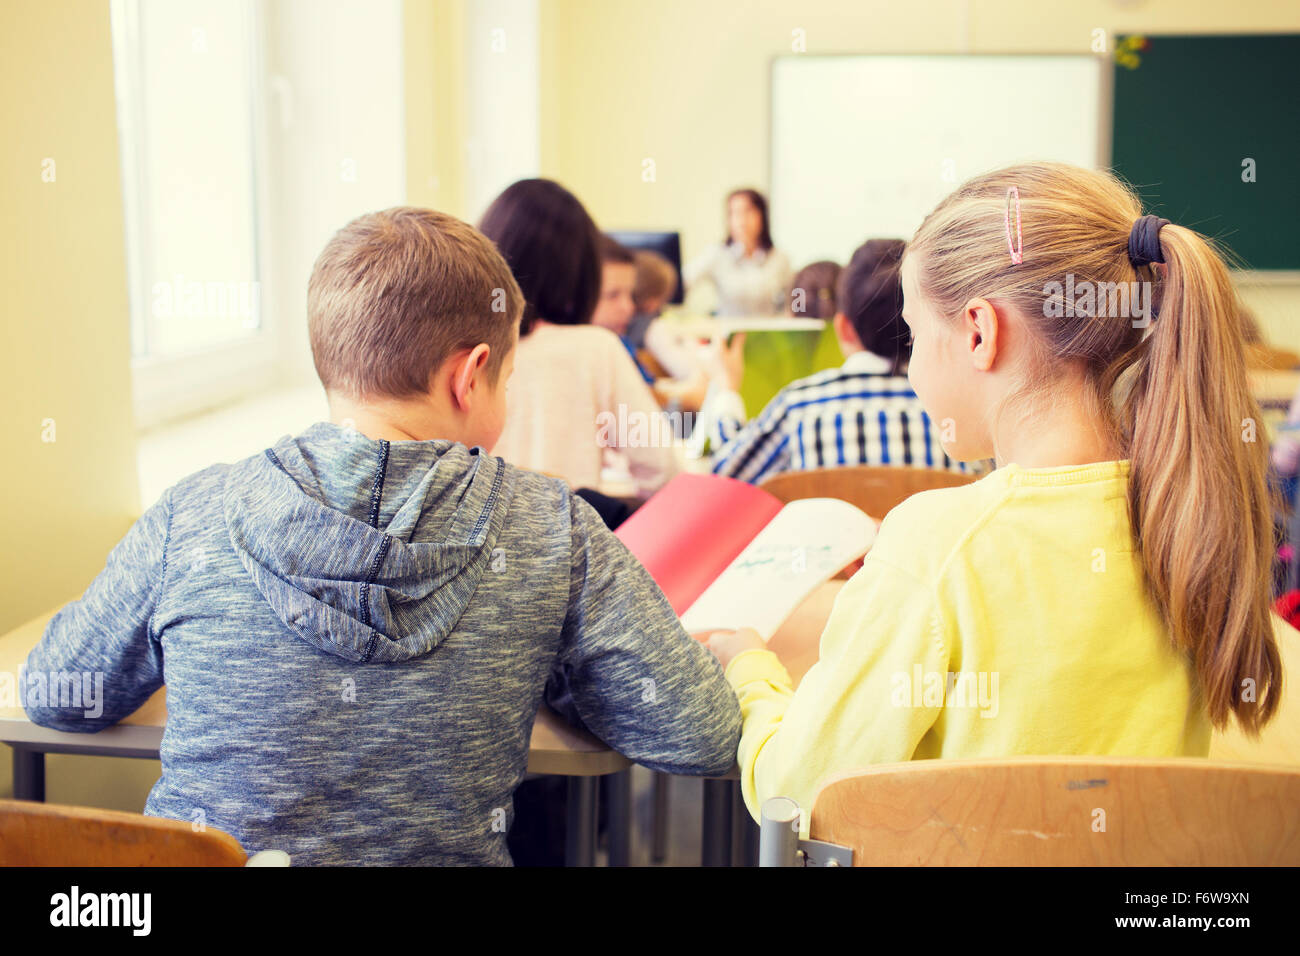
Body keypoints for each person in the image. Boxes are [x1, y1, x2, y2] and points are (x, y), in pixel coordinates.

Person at [22, 206, 740, 865]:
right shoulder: (551, 530)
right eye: (509, 379)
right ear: (471, 375)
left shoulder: (195, 514)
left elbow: (57, 691)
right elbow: (702, 732)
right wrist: (561, 669)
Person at [698, 163, 1282, 825]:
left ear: (979, 331)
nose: (912, 366)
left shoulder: (935, 544)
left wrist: (750, 668)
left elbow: (793, 790)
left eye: (914, 336)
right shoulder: (1186, 508)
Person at [710, 239, 972, 483]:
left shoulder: (798, 406)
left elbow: (724, 474)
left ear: (844, 328)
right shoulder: (956, 413)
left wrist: (727, 391)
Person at [483, 180, 683, 498]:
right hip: (565, 541)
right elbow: (661, 469)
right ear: (582, 271)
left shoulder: (464, 350)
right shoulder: (596, 349)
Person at [684, 188, 793, 317]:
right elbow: (682, 282)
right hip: (728, 332)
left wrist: (795, 318)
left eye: (748, 211)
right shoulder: (716, 254)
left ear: (762, 216)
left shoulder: (779, 258)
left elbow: (796, 293)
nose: (742, 220)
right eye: (734, 213)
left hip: (767, 331)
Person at [591, 235, 654, 384]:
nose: (629, 307)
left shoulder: (620, 342)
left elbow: (646, 387)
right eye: (612, 295)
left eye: (631, 294)